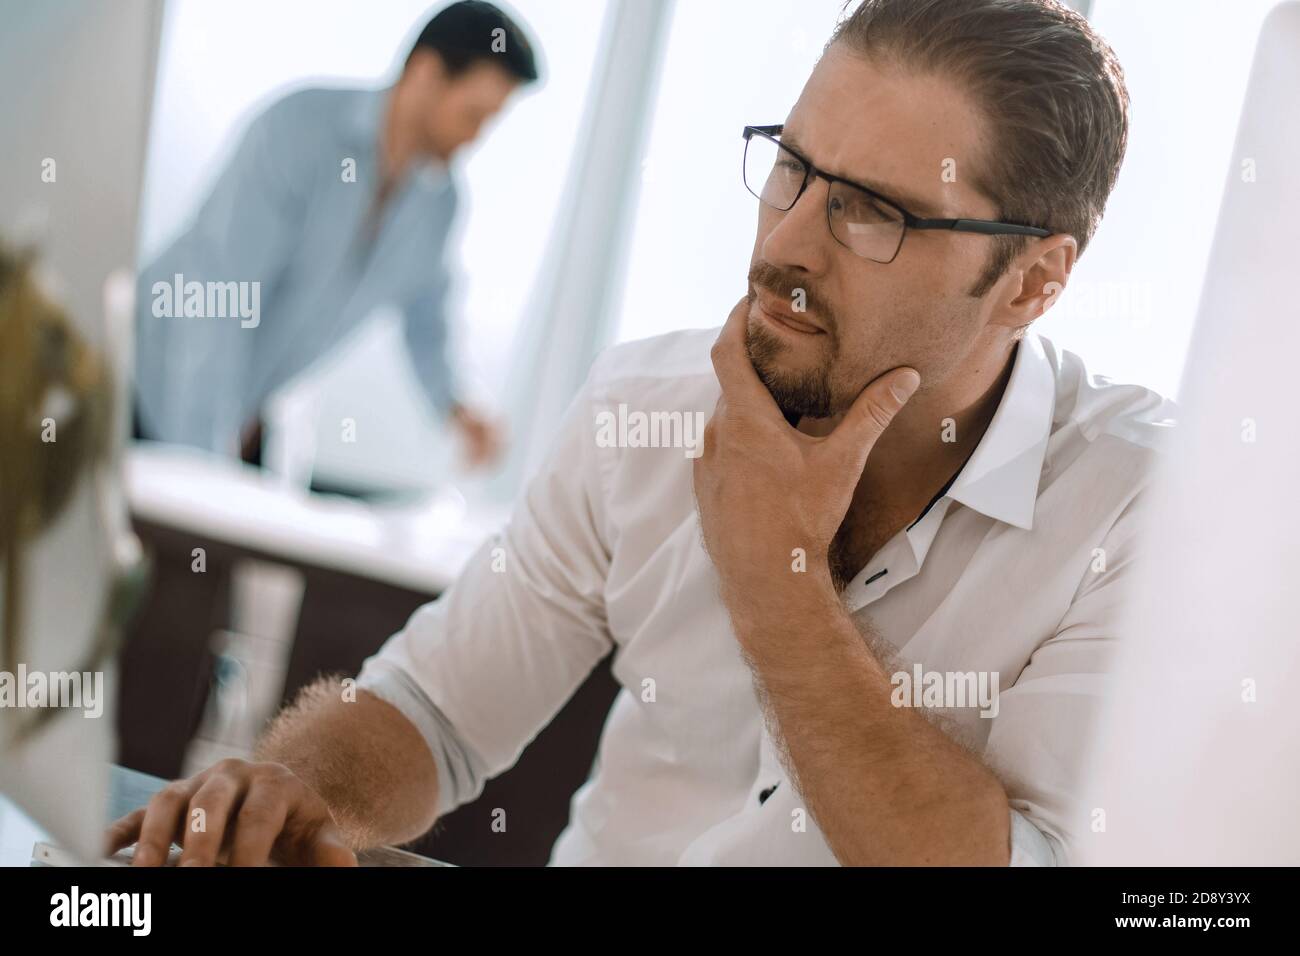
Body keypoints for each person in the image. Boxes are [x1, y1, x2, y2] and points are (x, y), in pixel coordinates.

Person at [110, 0, 1175, 866]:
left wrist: (777, 578)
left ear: (1032, 280)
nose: (786, 244)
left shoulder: (1142, 510)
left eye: (871, 211)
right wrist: (297, 794)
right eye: (793, 167)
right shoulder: (648, 406)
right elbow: (436, 709)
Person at [133, 1, 540, 469]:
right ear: (426, 74)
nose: (476, 138)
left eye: (491, 122)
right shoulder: (298, 132)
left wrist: (458, 406)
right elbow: (215, 297)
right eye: (473, 114)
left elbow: (429, 320)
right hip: (144, 388)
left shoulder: (439, 204)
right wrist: (200, 465)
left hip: (231, 424)